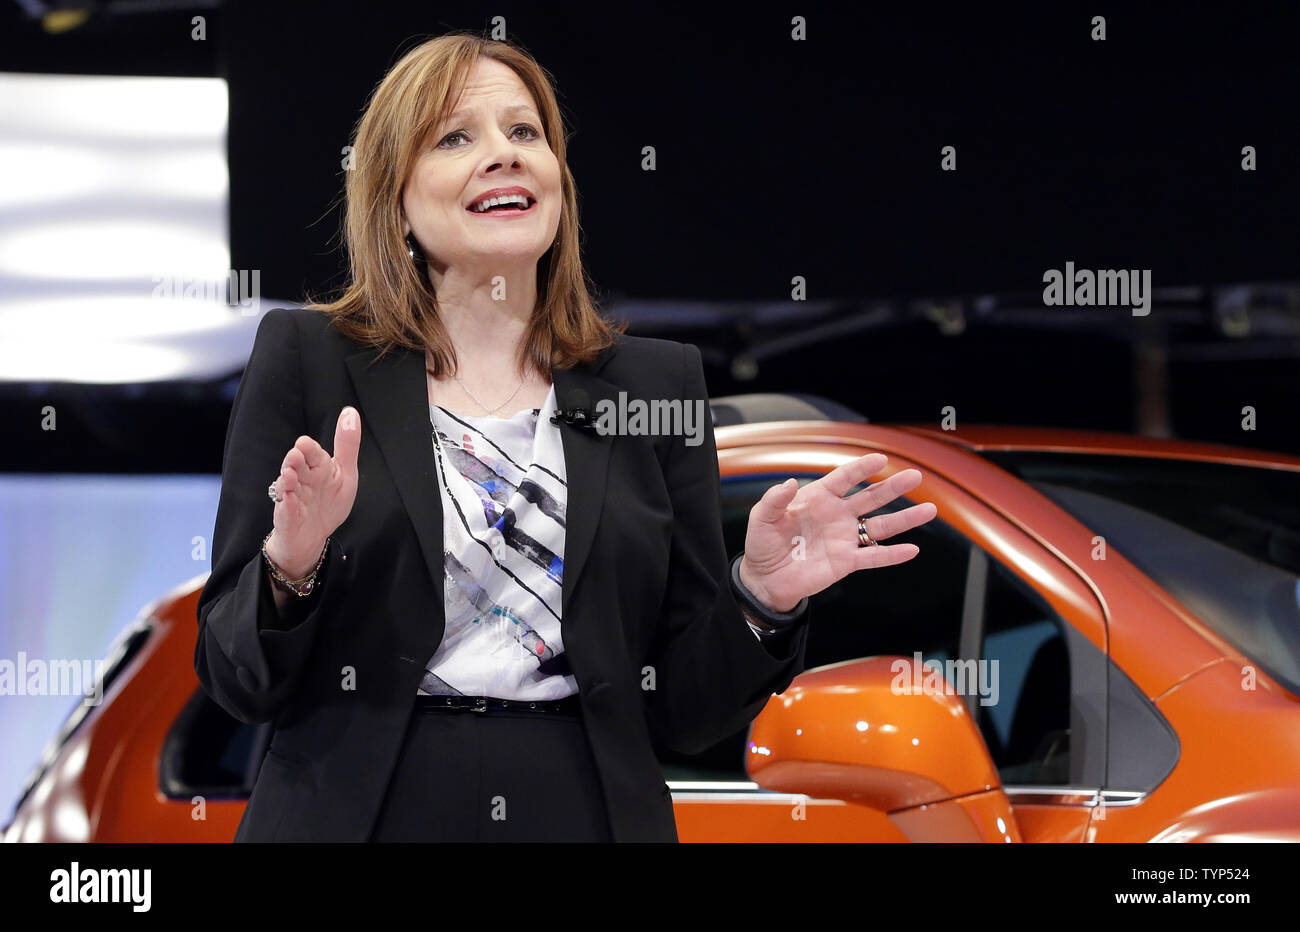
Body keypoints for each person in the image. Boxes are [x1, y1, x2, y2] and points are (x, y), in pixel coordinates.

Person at [194, 31, 939, 843]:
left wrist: (763, 596)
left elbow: (684, 714)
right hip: (360, 812)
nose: (504, 156)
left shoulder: (654, 386)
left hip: (582, 810)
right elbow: (240, 683)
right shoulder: (309, 362)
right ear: (395, 198)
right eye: (455, 137)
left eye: (525, 133)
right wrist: (290, 565)